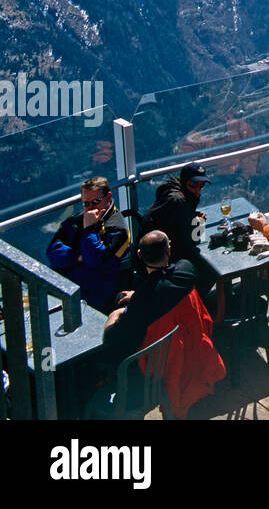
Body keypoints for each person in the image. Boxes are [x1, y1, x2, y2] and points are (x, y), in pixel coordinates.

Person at [101, 231, 225, 418]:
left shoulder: (143, 303)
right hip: (194, 350)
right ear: (168, 249)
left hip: (157, 370)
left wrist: (115, 314)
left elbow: (111, 338)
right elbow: (164, 289)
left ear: (140, 256)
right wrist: (138, 295)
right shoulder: (187, 270)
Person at [46, 176, 131, 314]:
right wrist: (77, 257)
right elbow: (52, 252)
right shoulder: (77, 220)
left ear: (108, 197)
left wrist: (89, 229)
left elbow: (94, 260)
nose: (90, 208)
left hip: (96, 295)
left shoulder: (118, 229)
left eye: (96, 202)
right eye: (86, 204)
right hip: (68, 286)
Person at [141, 163, 218, 296]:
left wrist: (191, 215)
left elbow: (174, 218)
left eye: (201, 186)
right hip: (160, 257)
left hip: (152, 250)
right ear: (184, 182)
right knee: (211, 270)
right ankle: (191, 302)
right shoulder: (178, 201)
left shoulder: (170, 192)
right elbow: (192, 240)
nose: (197, 190)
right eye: (193, 185)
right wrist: (198, 224)